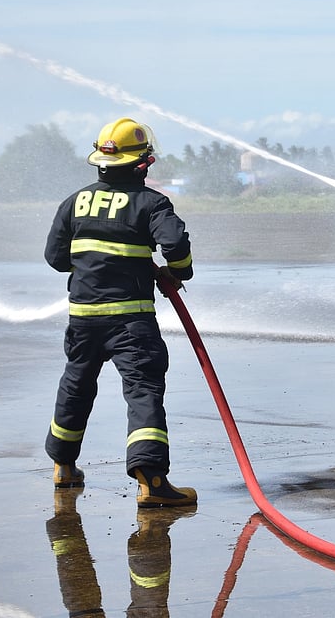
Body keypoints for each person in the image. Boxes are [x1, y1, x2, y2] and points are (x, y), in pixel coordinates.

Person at [44, 117, 197, 508]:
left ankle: (63, 468)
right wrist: (177, 274)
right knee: (143, 390)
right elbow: (175, 243)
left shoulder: (75, 201)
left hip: (83, 319)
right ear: (142, 164)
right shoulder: (150, 202)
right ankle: (152, 483)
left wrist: (94, 264)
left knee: (76, 384)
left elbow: (55, 258)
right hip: (131, 323)